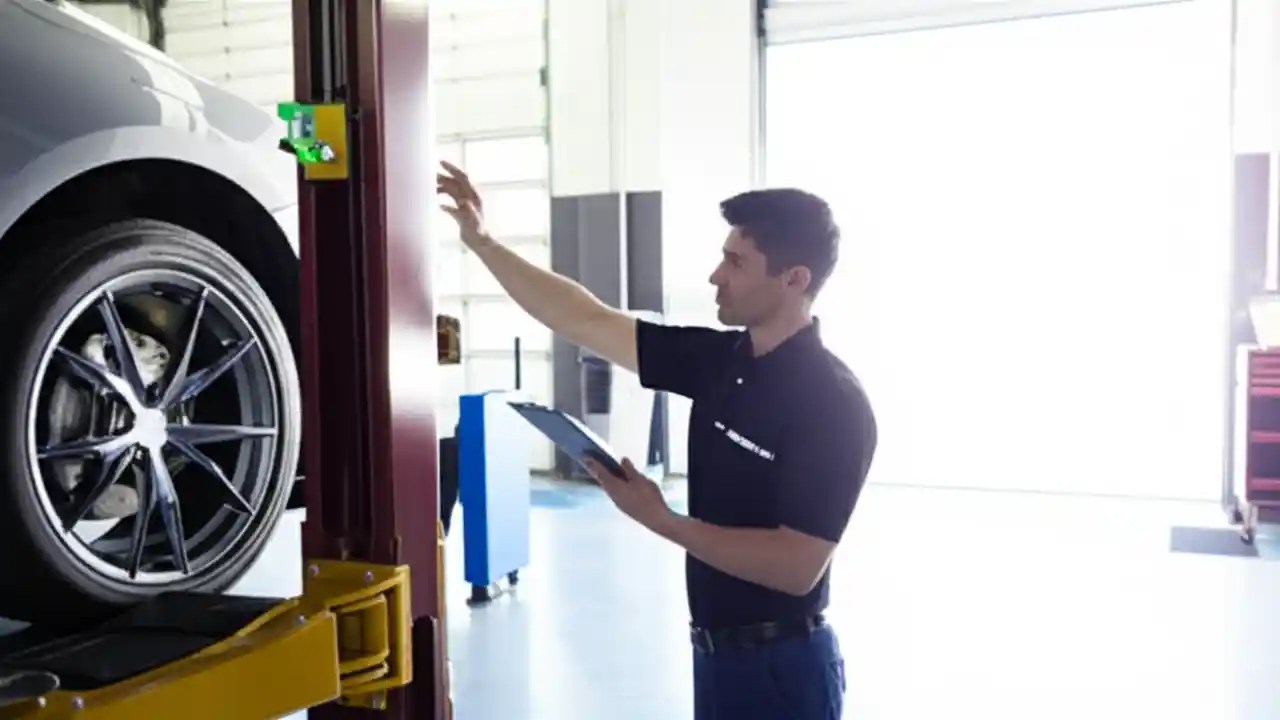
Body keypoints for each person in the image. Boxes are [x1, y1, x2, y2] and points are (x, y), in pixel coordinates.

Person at [437, 160, 877, 720]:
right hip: (714, 656)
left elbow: (797, 565)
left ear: (795, 279)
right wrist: (484, 242)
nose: (717, 275)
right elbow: (585, 319)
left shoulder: (834, 403)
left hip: (783, 669)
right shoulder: (719, 361)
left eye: (736, 262)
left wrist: (662, 520)